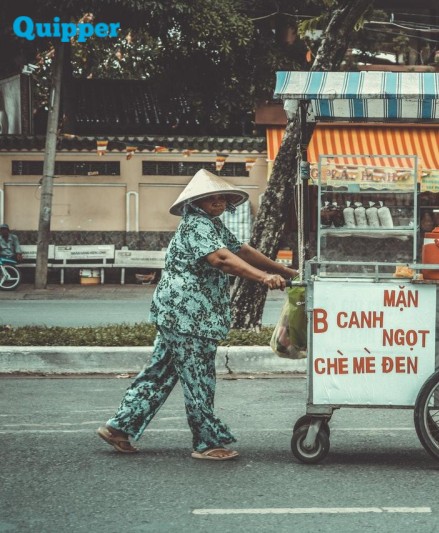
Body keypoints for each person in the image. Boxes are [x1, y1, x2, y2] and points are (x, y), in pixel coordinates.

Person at [97, 169, 297, 461]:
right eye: (210, 198)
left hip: (178, 314)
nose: (218, 203)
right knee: (199, 378)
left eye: (222, 198)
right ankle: (207, 443)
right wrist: (264, 277)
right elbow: (222, 259)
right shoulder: (196, 225)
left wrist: (285, 271)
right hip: (189, 316)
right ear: (195, 202)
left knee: (160, 373)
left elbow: (240, 251)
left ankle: (119, 428)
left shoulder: (211, 224)